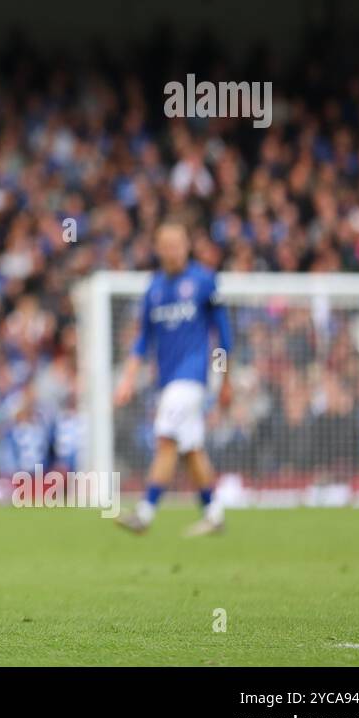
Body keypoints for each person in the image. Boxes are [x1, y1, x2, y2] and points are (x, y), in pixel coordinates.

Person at [114, 221, 232, 536]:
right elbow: (142, 341)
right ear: (158, 248)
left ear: (187, 246)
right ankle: (214, 513)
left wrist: (225, 379)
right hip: (168, 380)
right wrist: (127, 379)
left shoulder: (205, 281)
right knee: (190, 448)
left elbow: (224, 335)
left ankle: (145, 512)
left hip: (192, 377)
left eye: (177, 244)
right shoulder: (153, 289)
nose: (172, 251)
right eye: (166, 245)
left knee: (166, 438)